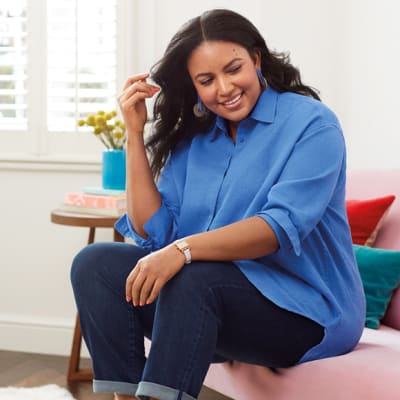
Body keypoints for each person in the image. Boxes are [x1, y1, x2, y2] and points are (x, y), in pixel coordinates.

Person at [70, 8, 366, 400]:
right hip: (207, 304)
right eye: (207, 80)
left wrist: (182, 251)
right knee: (96, 265)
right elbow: (152, 230)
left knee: (195, 274)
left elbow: (276, 228)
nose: (224, 88)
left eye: (234, 69)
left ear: (256, 60)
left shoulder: (313, 125)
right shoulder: (196, 138)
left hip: (307, 312)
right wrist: (134, 133)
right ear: (193, 86)